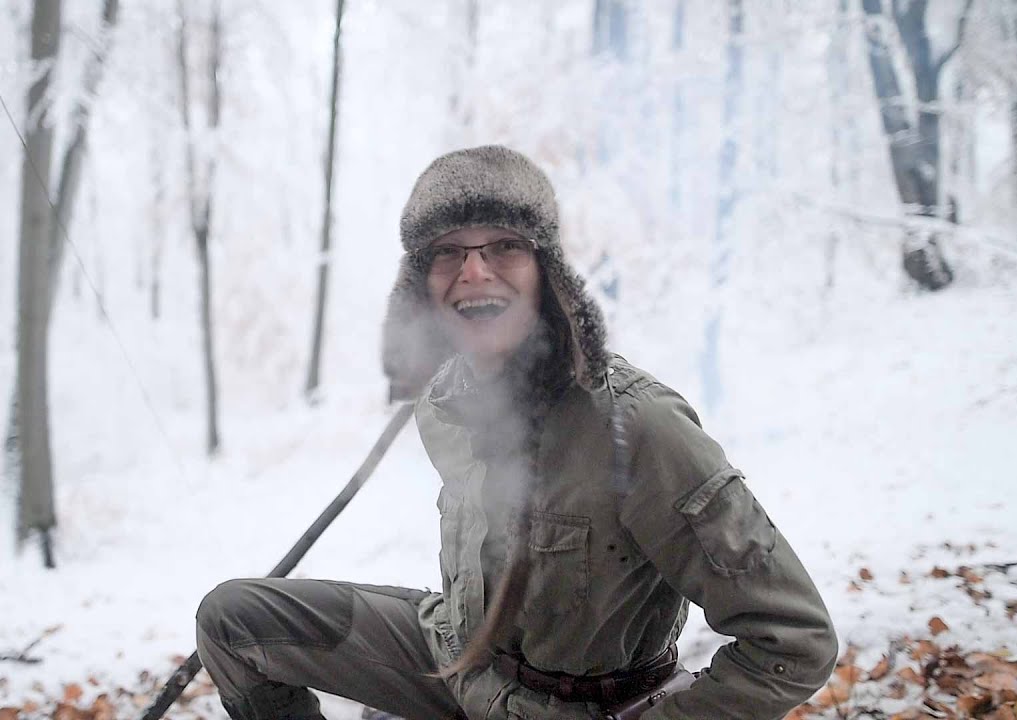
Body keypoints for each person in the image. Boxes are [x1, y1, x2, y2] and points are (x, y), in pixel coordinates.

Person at [195, 145, 838, 720]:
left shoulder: (636, 425)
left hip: (574, 706)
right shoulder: (444, 403)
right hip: (456, 661)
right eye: (448, 251)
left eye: (504, 246)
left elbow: (794, 639)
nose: (474, 272)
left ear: (547, 273)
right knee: (234, 621)